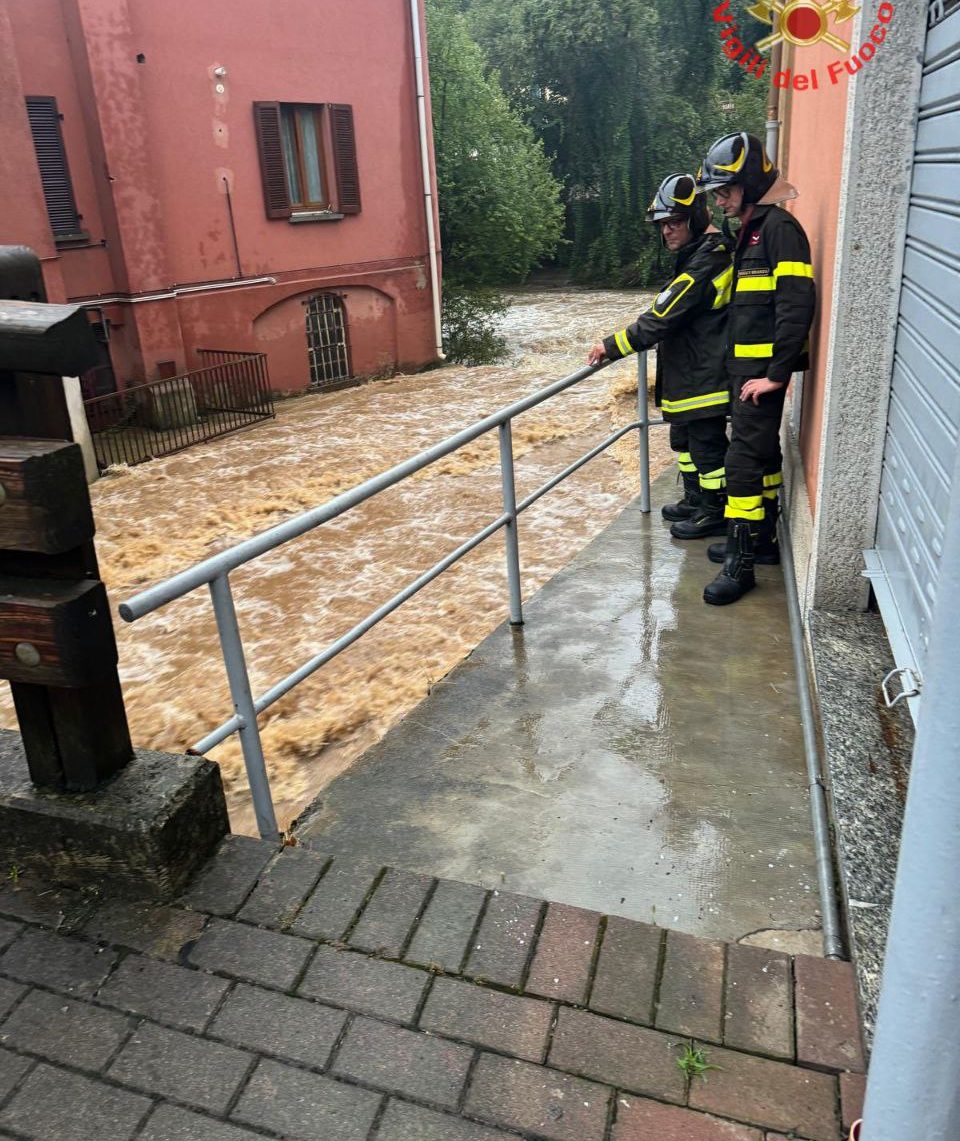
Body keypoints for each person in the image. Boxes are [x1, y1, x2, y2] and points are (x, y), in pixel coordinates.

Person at [696, 131, 816, 605]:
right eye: (716, 192)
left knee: (740, 465)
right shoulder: (749, 231)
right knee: (762, 460)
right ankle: (761, 539)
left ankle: (740, 565)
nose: (720, 199)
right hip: (744, 373)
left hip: (761, 378)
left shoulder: (778, 229)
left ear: (749, 184)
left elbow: (795, 303)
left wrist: (777, 374)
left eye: (725, 190)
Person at [588, 174, 732, 539]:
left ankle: (715, 511)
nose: (666, 231)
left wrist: (612, 345)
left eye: (673, 223)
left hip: (705, 372)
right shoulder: (696, 254)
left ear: (696, 218)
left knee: (707, 449)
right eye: (662, 225)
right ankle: (695, 499)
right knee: (682, 441)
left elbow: (663, 314)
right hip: (690, 369)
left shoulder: (710, 257)